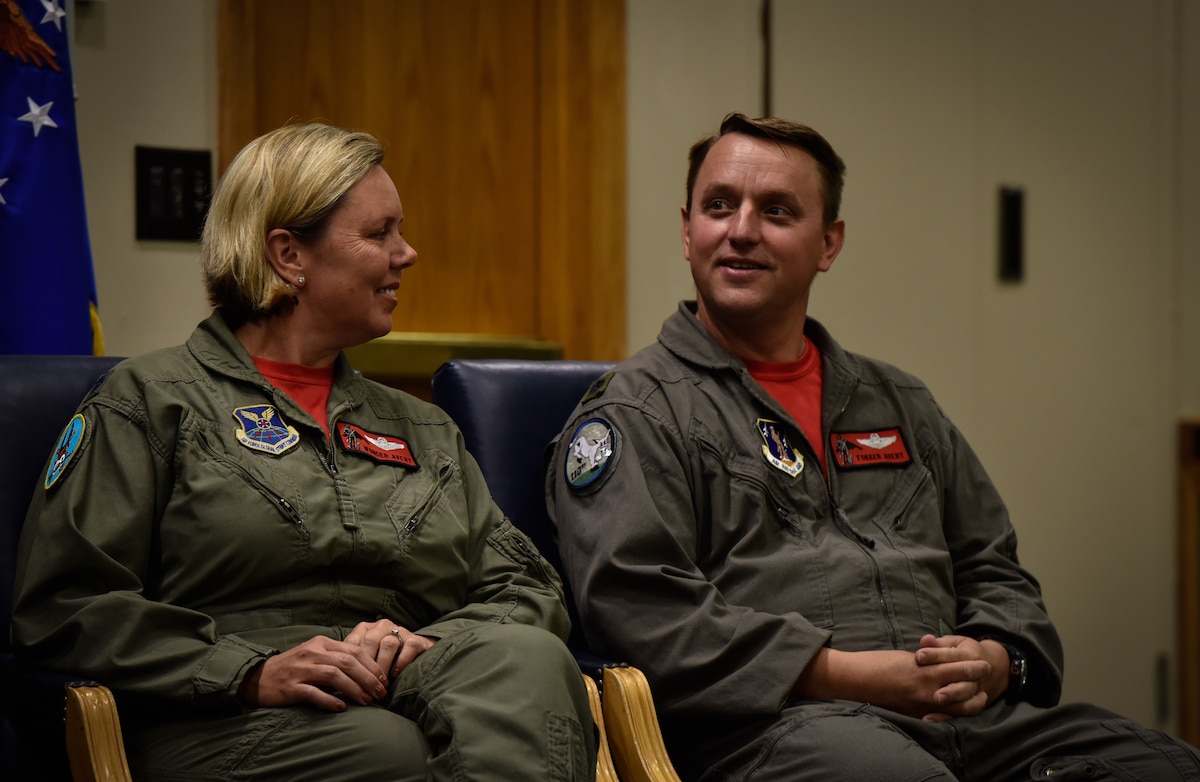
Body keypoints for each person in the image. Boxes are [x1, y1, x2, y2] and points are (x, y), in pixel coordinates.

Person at [546, 113, 1200, 781]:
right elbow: (644, 619)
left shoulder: (900, 403)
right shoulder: (635, 413)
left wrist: (999, 661)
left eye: (776, 211)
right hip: (772, 732)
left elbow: (994, 568)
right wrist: (855, 676)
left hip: (969, 727)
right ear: (688, 230)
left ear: (829, 243)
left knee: (1165, 766)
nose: (741, 230)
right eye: (719, 206)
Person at [13, 122, 596, 782]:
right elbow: (67, 606)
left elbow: (524, 586)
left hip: (410, 687)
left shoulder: (421, 428)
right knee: (390, 752)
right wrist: (249, 671)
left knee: (530, 659)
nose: (407, 253)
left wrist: (424, 643)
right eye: (379, 234)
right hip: (222, 714)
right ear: (289, 255)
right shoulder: (150, 401)